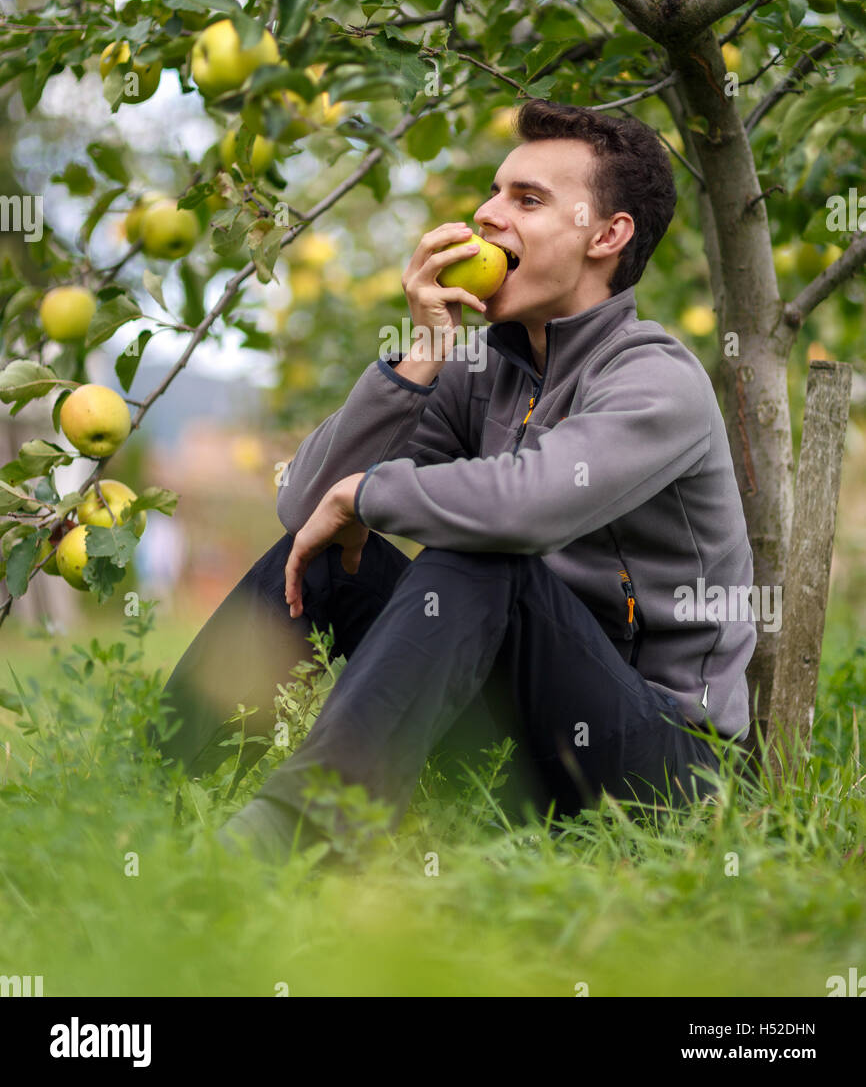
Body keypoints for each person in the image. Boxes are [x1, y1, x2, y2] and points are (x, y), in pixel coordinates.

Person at [154, 99, 756, 863]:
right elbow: (304, 505)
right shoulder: (484, 370)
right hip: (524, 746)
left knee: (481, 552)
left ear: (607, 235)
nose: (487, 213)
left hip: (661, 769)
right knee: (330, 557)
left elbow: (525, 510)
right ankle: (150, 784)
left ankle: (292, 838)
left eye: (527, 200)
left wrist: (367, 494)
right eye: (495, 192)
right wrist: (419, 358)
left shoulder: (656, 380)